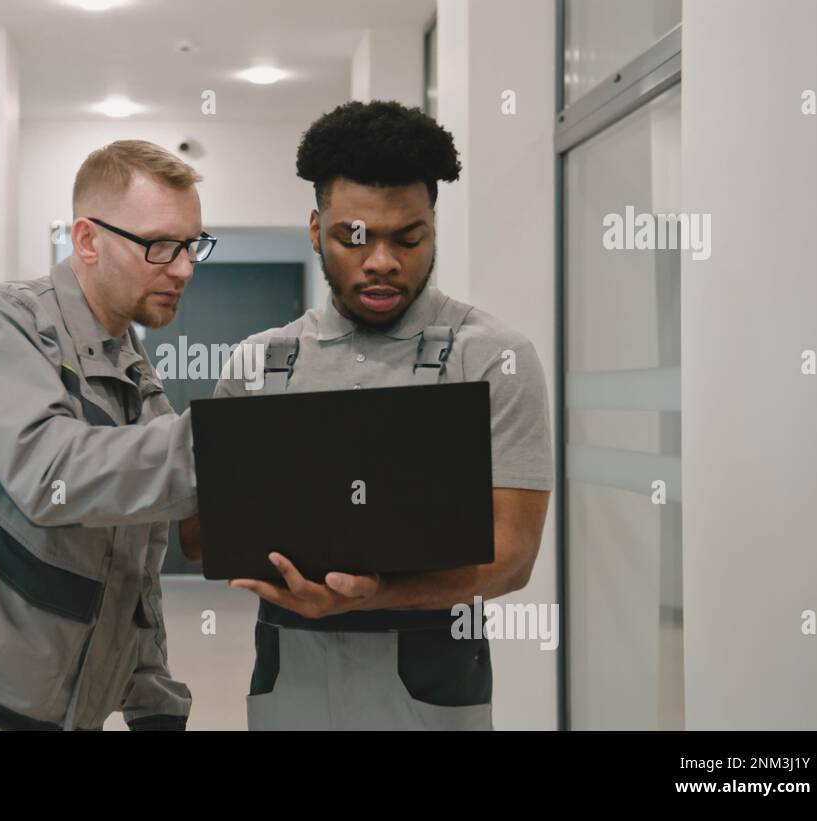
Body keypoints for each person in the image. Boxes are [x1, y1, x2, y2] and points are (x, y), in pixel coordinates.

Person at [182, 101, 553, 730]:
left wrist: (380, 594)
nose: (381, 261)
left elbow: (514, 559)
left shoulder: (493, 357)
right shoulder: (257, 363)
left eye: (408, 238)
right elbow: (200, 539)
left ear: (433, 226)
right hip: (289, 681)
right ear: (314, 229)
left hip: (432, 691)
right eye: (354, 236)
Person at [0, 140, 216, 730]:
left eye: (191, 245)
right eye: (159, 246)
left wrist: (156, 704)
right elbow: (53, 476)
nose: (182, 268)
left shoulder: (138, 378)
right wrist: (225, 441)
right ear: (87, 240)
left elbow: (134, 572)